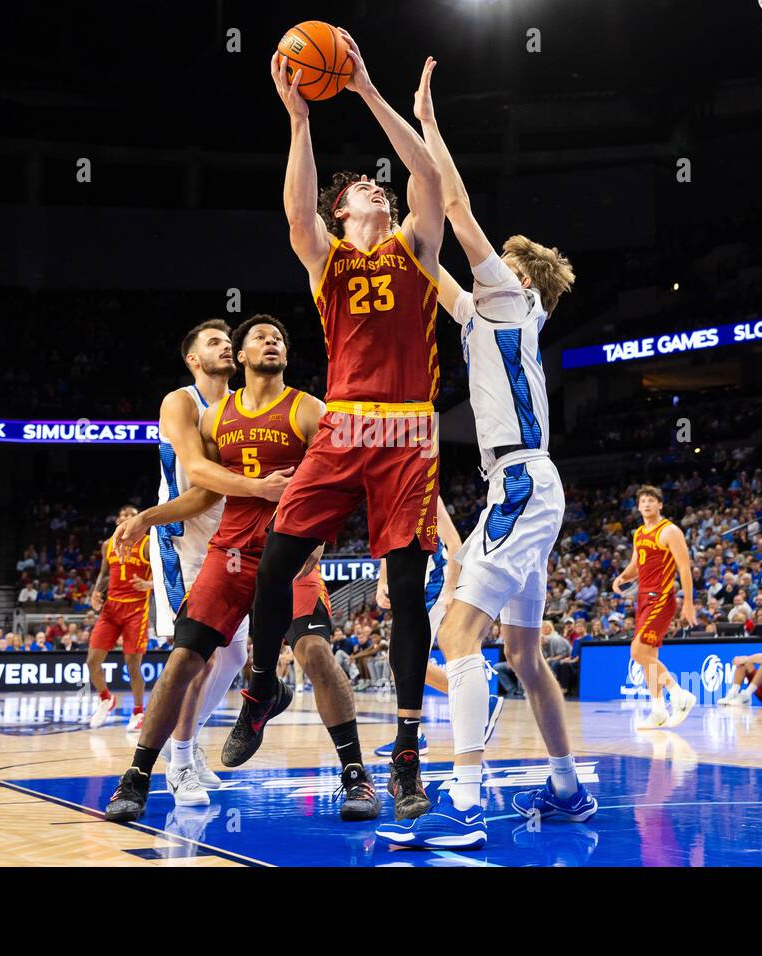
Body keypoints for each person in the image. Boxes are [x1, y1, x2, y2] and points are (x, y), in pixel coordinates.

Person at [222, 31, 447, 826]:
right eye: (363, 196)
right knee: (275, 564)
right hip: (346, 427)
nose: (378, 197)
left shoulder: (417, 248)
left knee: (410, 595)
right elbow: (295, 210)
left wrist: (366, 91)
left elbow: (428, 177)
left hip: (407, 434)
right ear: (341, 213)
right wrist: (298, 118)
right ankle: (260, 688)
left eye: (380, 196)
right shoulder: (328, 263)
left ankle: (407, 753)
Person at [376, 57, 594, 850]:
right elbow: (428, 259)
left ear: (522, 273)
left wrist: (429, 124)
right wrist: (384, 230)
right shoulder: (491, 313)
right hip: (526, 481)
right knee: (525, 654)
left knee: (460, 635)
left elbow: (455, 206)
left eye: (500, 252)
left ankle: (465, 801)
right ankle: (567, 788)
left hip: (520, 485)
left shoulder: (511, 294)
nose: (488, 255)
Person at [105, 316, 379, 821]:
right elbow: (204, 491)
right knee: (186, 657)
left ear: (284, 356)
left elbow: (347, 479)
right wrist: (148, 517)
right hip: (229, 553)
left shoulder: (306, 409)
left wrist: (319, 535)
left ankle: (356, 776)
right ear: (243, 356)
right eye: (259, 337)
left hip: (290, 553)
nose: (270, 341)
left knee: (317, 652)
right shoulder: (213, 418)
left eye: (278, 338)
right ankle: (139, 774)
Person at [373, 495, 504, 756]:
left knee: (405, 656)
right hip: (407, 579)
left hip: (432, 578)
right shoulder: (381, 492)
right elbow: (386, 546)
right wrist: (381, 583)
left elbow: (453, 541)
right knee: (400, 658)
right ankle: (479, 704)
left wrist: (451, 588)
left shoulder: (425, 488)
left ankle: (413, 734)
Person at [612, 485, 699, 729]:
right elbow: (636, 565)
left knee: (637, 652)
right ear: (638, 507)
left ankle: (679, 694)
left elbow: (684, 568)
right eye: (643, 501)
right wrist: (622, 578)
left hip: (661, 598)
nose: (647, 504)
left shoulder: (670, 531)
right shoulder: (639, 533)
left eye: (652, 500)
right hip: (642, 598)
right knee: (649, 657)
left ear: (660, 504)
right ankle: (658, 710)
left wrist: (689, 603)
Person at [87, 505, 154, 731]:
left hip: (136, 611)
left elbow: (168, 574)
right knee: (92, 662)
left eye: (131, 515)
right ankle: (106, 698)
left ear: (139, 520)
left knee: (133, 666)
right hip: (111, 609)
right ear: (117, 520)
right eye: (123, 515)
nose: (126, 518)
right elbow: (104, 574)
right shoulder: (108, 544)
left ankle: (138, 712)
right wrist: (96, 593)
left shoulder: (148, 544)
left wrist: (149, 584)